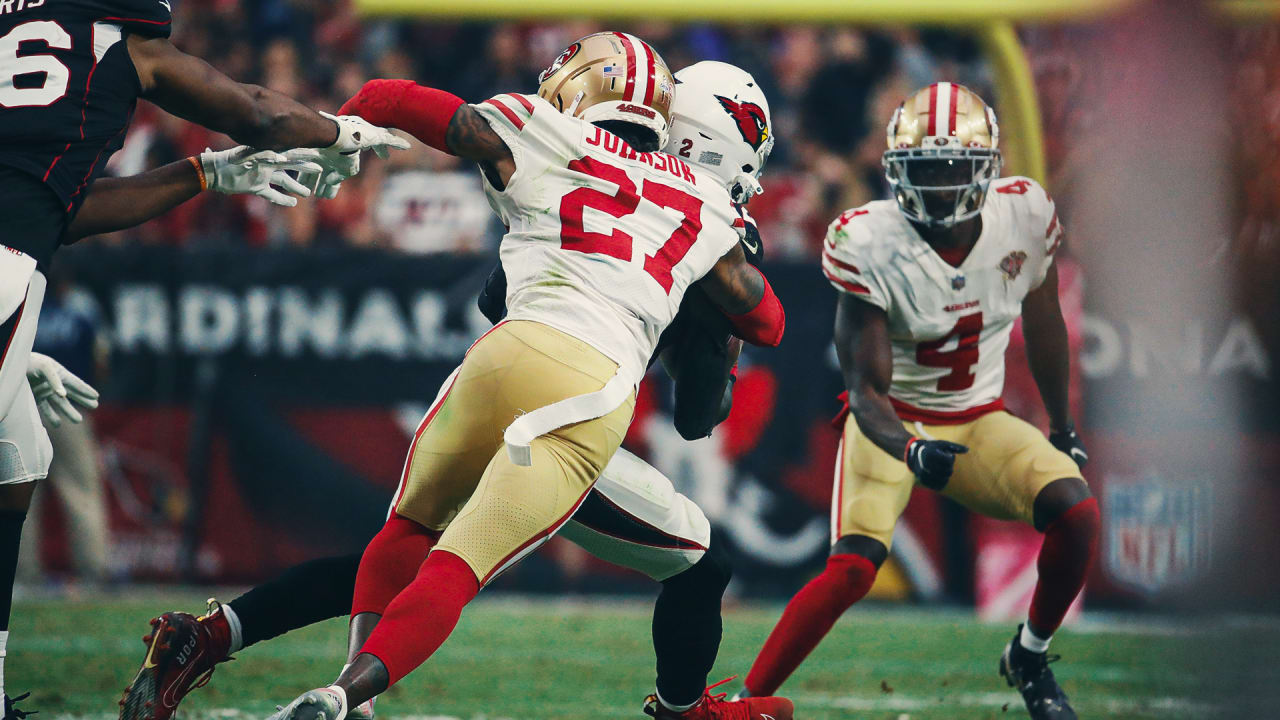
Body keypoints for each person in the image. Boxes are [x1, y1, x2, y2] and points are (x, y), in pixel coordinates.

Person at [117, 58, 785, 720]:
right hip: (585, 401)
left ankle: (213, 638)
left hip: (509, 360)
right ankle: (682, 710)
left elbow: (496, 296)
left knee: (410, 545)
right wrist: (712, 326)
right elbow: (706, 408)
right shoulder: (709, 222)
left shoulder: (573, 148)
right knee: (689, 563)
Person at [0, 2, 407, 715]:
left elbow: (61, 207)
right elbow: (256, 110)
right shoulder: (116, 47)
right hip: (7, 268)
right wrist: (339, 130)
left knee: (21, 457)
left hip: (16, 260)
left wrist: (206, 174)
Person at [736, 83, 1098, 720]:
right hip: (893, 421)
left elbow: (1044, 324)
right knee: (852, 569)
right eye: (923, 168)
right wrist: (907, 445)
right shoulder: (867, 239)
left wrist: (1062, 426)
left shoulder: (1024, 216)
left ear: (986, 169)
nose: (937, 183)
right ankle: (745, 700)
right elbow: (865, 387)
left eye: (953, 168)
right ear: (896, 171)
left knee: (1076, 513)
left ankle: (1030, 655)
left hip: (977, 417)